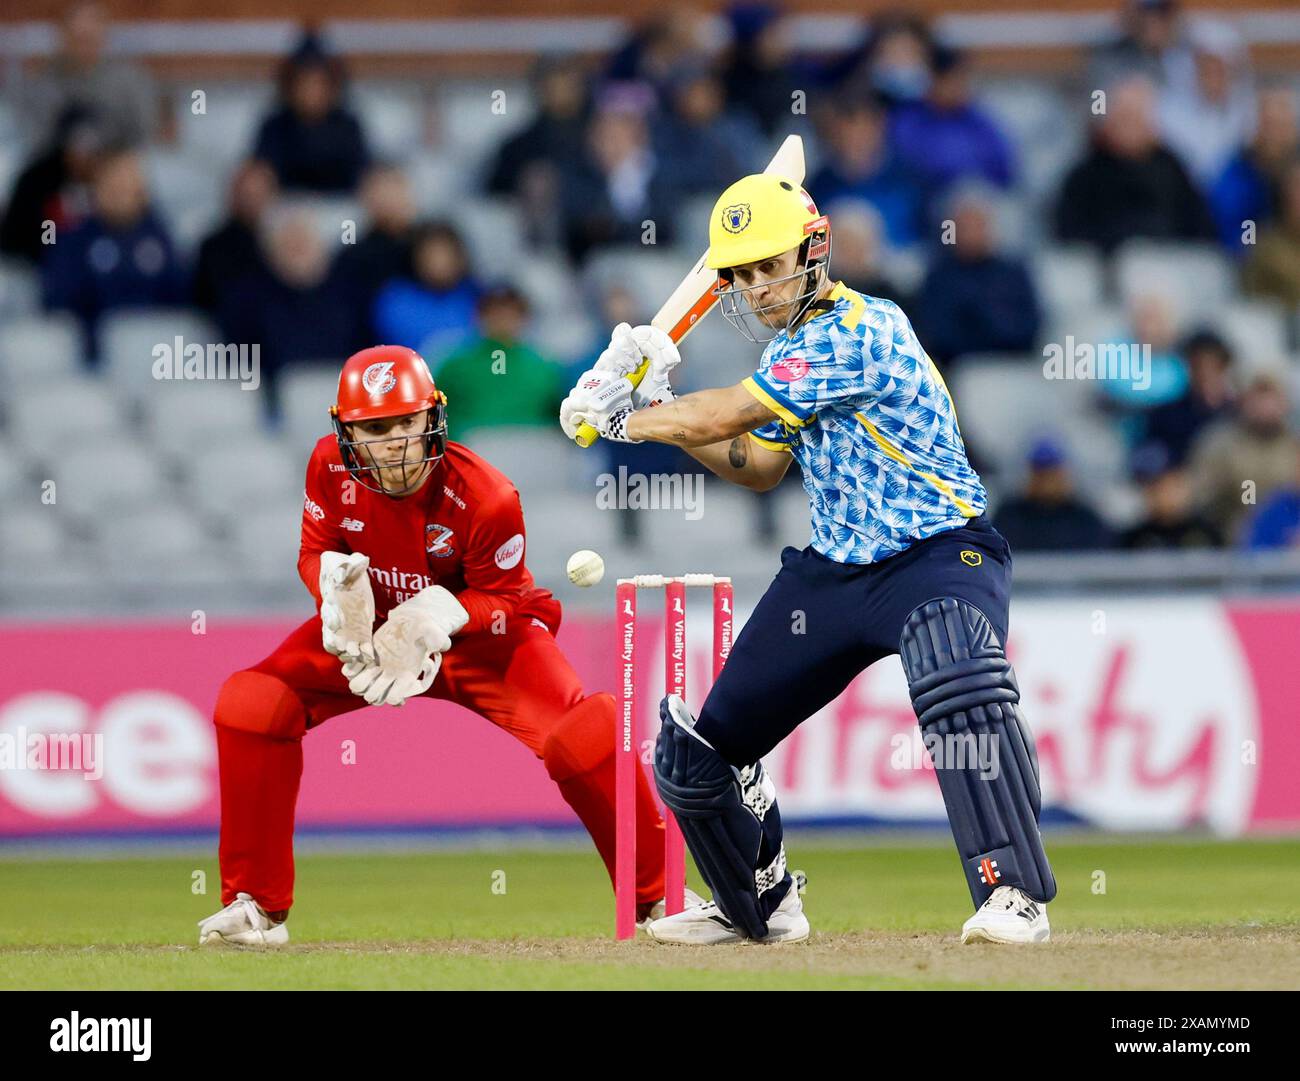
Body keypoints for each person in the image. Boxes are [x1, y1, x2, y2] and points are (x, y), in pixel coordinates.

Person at [560, 173, 1056, 945]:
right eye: (742, 275)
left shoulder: (861, 327)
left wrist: (636, 415)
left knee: (954, 673)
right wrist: (667, 411)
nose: (757, 288)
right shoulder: (793, 351)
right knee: (698, 756)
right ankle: (759, 904)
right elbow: (756, 462)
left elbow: (734, 407)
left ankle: (1015, 894)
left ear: (814, 249)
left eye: (770, 266)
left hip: (939, 551)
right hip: (835, 573)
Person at [197, 346, 679, 946]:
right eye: (375, 428)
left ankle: (658, 899)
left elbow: (505, 598)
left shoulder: (488, 495)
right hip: (372, 635)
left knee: (584, 734)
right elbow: (314, 550)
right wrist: (336, 600)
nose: (395, 443)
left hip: (486, 638)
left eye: (407, 423)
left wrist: (447, 610)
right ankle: (256, 908)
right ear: (345, 432)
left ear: (434, 418)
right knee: (251, 703)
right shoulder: (326, 465)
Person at [41, 148, 186, 361]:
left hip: (157, 353)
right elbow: (59, 302)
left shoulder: (160, 236)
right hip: (96, 356)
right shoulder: (74, 240)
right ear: (98, 188)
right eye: (114, 183)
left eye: (130, 183)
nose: (122, 191)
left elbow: (180, 298)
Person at [1053, 76, 1216, 255]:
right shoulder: (1087, 174)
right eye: (1124, 118)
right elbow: (1070, 233)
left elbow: (1199, 227)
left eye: (1138, 118)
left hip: (1171, 263)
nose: (1131, 128)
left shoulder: (1172, 168)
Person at [913, 185, 1040, 368]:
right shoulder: (938, 277)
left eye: (979, 225)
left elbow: (1030, 326)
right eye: (964, 226)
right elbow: (936, 334)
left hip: (1012, 365)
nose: (972, 233)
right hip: (960, 369)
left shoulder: (1013, 273)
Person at [433, 284, 566, 439]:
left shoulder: (546, 367)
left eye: (511, 313)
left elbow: (561, 417)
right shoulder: (454, 364)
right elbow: (434, 410)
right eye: (495, 313)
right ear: (480, 316)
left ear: (524, 317)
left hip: (531, 448)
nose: (503, 319)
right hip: (469, 449)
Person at [251, 33, 369, 194]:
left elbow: (364, 175)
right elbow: (261, 174)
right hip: (283, 212)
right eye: (303, 83)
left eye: (318, 84)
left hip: (343, 211)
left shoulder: (348, 126)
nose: (310, 92)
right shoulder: (274, 127)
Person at [992, 439, 1114, 552]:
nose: (1046, 480)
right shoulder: (1009, 517)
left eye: (1052, 471)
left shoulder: (1084, 519)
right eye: (1040, 472)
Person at [1119, 443, 1221, 549]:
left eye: (1158, 485)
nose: (1153, 493)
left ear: (1178, 481)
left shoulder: (1204, 533)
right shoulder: (1134, 538)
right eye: (1144, 486)